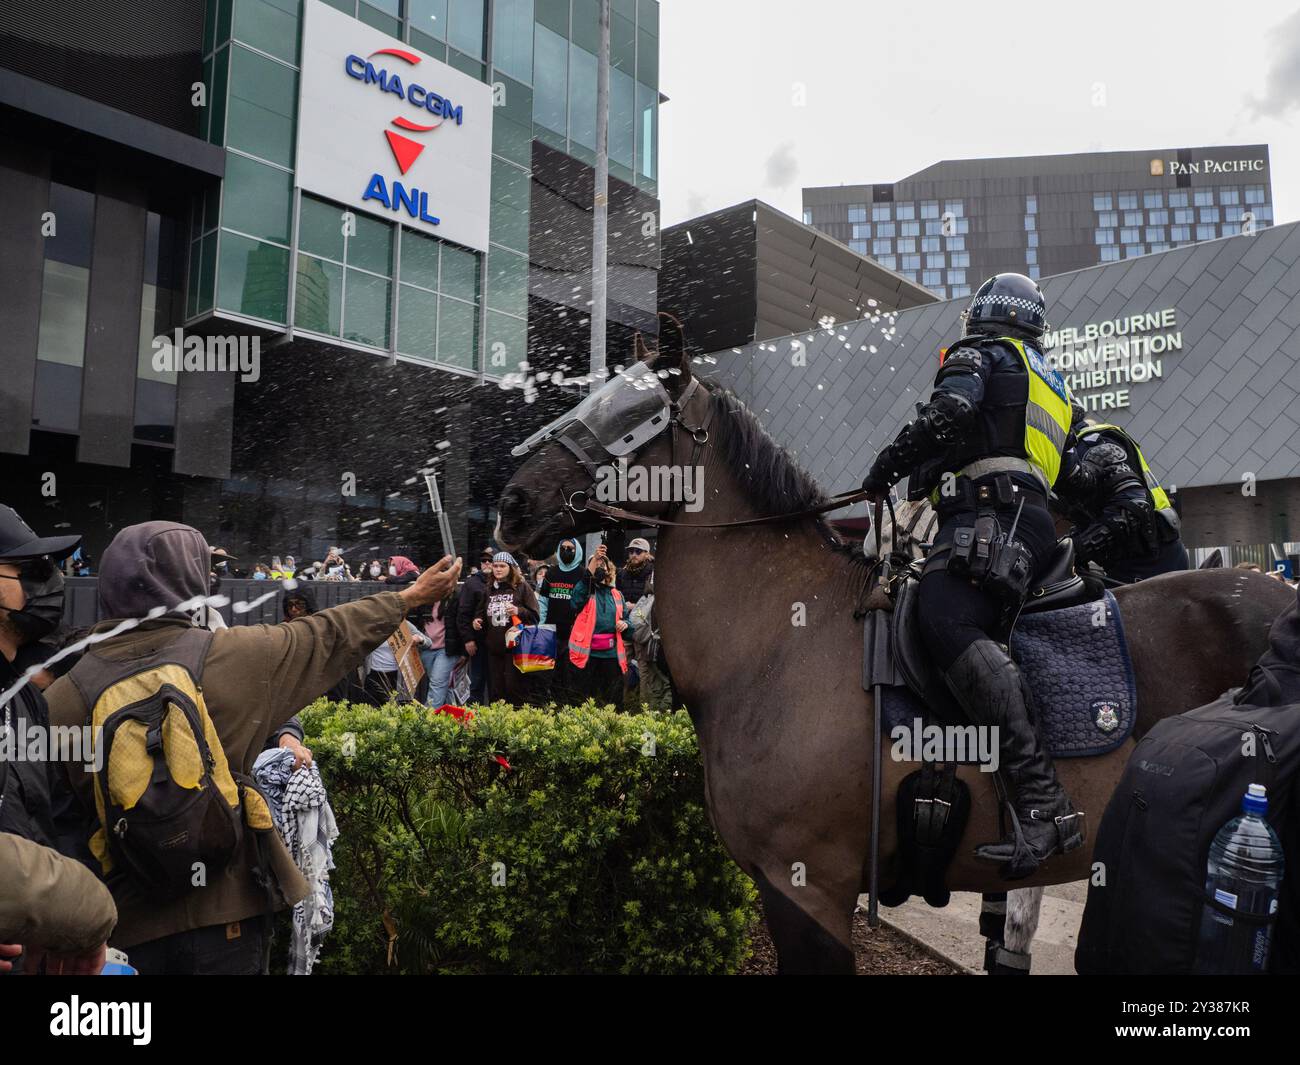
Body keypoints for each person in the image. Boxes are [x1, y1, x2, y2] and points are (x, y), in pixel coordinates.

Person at [45, 520, 460, 974]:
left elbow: (43, 822)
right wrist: (409, 598)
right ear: (191, 581)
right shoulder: (234, 656)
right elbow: (327, 634)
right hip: (231, 917)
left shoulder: (61, 696)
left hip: (122, 929)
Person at [860, 272, 1084, 880]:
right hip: (1025, 516)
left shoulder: (977, 354)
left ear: (980, 317)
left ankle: (1042, 805)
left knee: (944, 612)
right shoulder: (1052, 383)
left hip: (992, 512)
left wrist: (886, 464)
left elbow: (950, 413)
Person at [0, 505, 116, 974]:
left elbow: (47, 826)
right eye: (29, 570)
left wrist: (65, 925)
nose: (48, 583)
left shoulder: (26, 700)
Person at [1055, 408, 1188, 582]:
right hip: (1129, 564)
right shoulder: (1070, 453)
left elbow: (1132, 509)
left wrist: (1077, 549)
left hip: (1152, 564)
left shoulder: (1093, 443)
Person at [568, 544, 630, 708]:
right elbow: (575, 603)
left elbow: (628, 622)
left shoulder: (617, 595)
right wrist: (594, 560)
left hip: (611, 656)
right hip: (588, 656)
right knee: (586, 700)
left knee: (613, 701)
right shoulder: (585, 590)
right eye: (596, 564)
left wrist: (626, 624)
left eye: (603, 564)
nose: (600, 567)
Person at [473, 552, 538, 706]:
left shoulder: (522, 586)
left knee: (513, 688)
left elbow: (535, 616)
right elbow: (480, 612)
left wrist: (518, 611)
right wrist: (477, 621)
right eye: (495, 566)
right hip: (494, 649)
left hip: (516, 649)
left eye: (502, 566)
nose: (498, 569)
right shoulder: (489, 589)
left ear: (510, 568)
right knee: (496, 691)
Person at [626, 571, 673, 711]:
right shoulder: (665, 601)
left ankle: (650, 717)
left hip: (649, 649)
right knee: (668, 687)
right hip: (661, 651)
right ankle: (663, 717)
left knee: (654, 687)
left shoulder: (646, 599)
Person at [457, 549, 496, 704]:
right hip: (479, 642)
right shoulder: (471, 583)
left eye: (490, 561)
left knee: (497, 683)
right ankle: (474, 721)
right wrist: (468, 639)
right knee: (477, 683)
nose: (487, 563)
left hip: (498, 642)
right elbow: (463, 614)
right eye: (484, 561)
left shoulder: (502, 583)